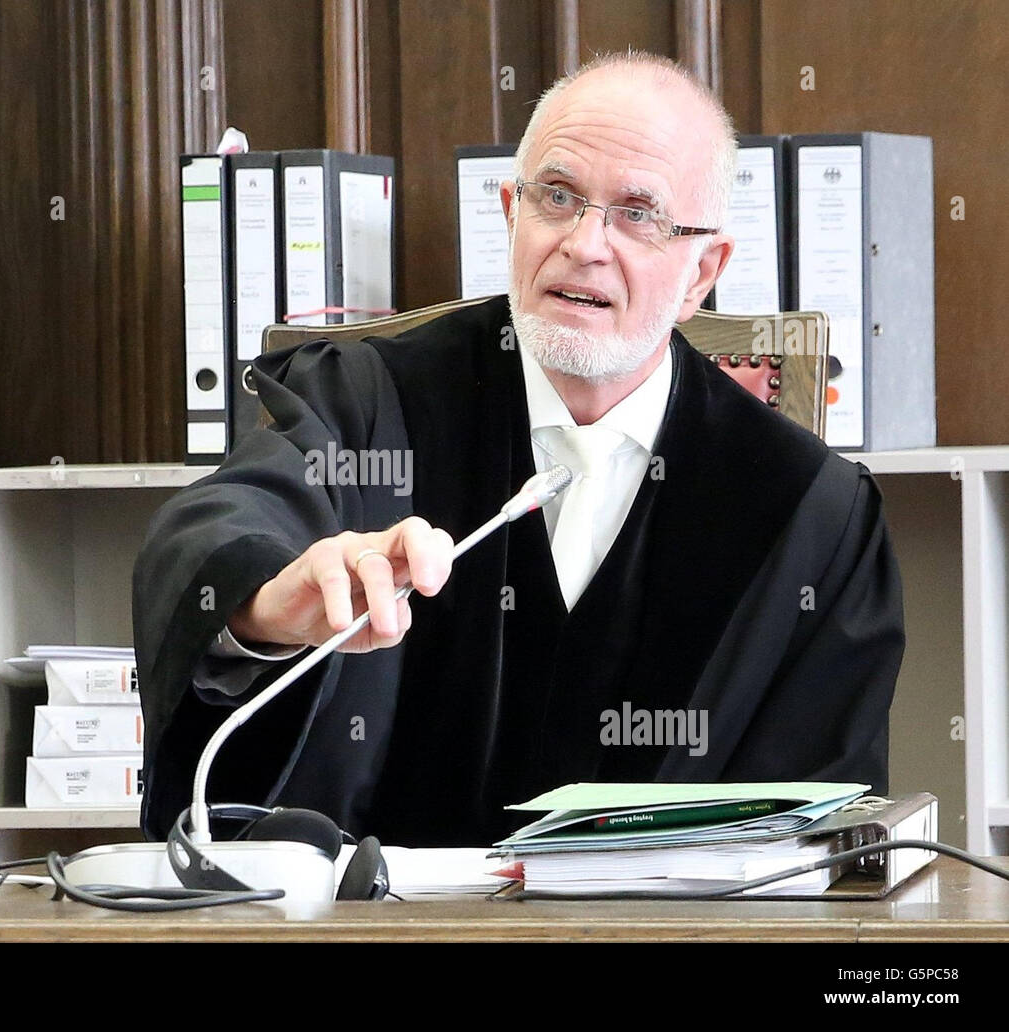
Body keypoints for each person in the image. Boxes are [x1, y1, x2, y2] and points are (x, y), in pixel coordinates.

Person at [132, 51, 904, 847]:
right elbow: (224, 519)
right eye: (558, 196)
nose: (585, 243)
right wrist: (264, 609)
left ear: (702, 270)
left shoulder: (810, 511)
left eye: (637, 213)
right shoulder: (363, 405)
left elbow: (821, 837)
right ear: (510, 212)